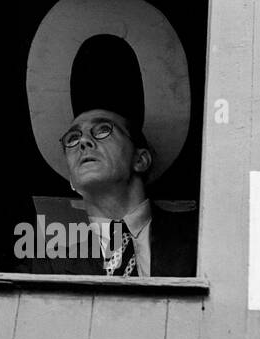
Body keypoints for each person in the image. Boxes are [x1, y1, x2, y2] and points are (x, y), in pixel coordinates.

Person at [19, 107, 198, 277]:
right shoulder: (44, 267)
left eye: (102, 129)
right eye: (73, 138)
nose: (83, 141)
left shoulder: (201, 237)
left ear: (140, 160)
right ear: (72, 179)